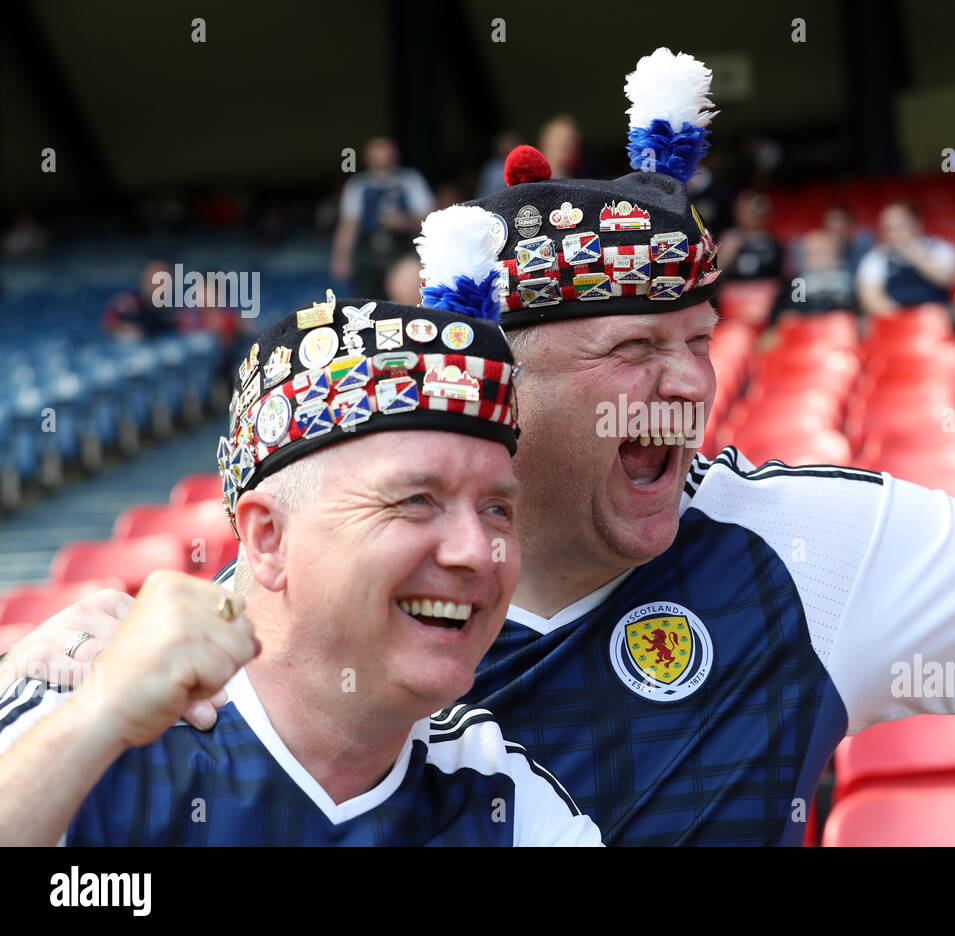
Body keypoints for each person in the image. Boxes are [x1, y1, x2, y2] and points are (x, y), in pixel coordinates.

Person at [16, 48, 955, 847]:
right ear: (496, 381)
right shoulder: (301, 602)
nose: (684, 383)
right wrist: (67, 705)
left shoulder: (803, 551)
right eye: (627, 351)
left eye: (695, 337)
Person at [0, 209, 601, 846]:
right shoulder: (88, 734)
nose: (477, 551)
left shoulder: (499, 796)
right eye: (417, 500)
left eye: (496, 509)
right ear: (268, 540)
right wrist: (93, 723)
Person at [330, 136, 435, 298]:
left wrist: (405, 222)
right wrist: (341, 257)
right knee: (366, 301)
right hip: (369, 253)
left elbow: (431, 218)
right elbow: (348, 225)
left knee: (406, 294)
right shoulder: (357, 185)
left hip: (403, 251)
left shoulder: (411, 180)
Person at [855, 201, 955, 316]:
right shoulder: (877, 257)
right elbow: (870, 298)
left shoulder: (939, 248)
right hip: (896, 319)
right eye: (889, 229)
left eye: (901, 226)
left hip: (936, 316)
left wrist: (914, 253)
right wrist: (904, 318)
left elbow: (946, 279)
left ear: (917, 224)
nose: (895, 233)